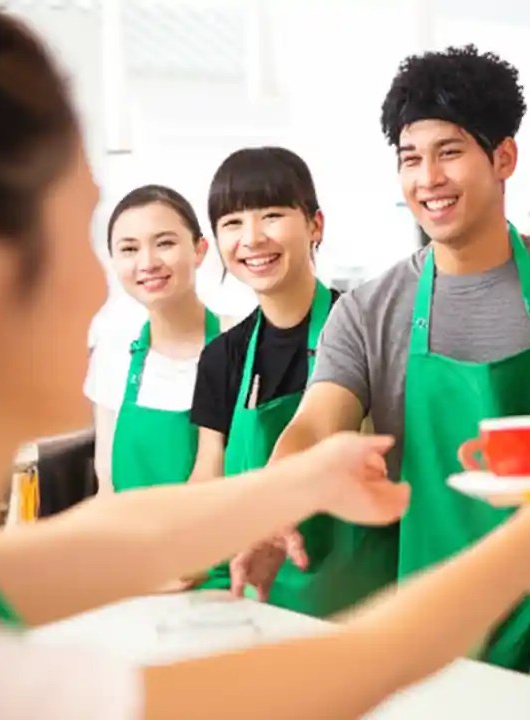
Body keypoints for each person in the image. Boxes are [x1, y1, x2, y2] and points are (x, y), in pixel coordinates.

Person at [0, 2, 530, 717]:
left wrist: (286, 491)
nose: (121, 277)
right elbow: (354, 665)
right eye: (90, 236)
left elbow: (112, 538)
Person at [233, 44, 530, 698]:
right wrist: (272, 506)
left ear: (503, 157)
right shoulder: (370, 311)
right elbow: (314, 427)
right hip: (432, 630)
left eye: (449, 152)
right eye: (410, 158)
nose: (428, 178)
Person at [183, 146, 399, 617]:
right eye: (232, 223)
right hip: (256, 598)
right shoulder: (223, 356)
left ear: (315, 225)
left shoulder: (366, 330)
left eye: (273, 215)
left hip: (367, 604)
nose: (252, 239)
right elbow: (208, 476)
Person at [85, 185, 220, 497]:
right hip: (127, 542)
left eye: (165, 243)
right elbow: (105, 478)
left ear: (199, 249)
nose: (147, 262)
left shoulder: (237, 346)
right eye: (129, 249)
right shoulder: (113, 351)